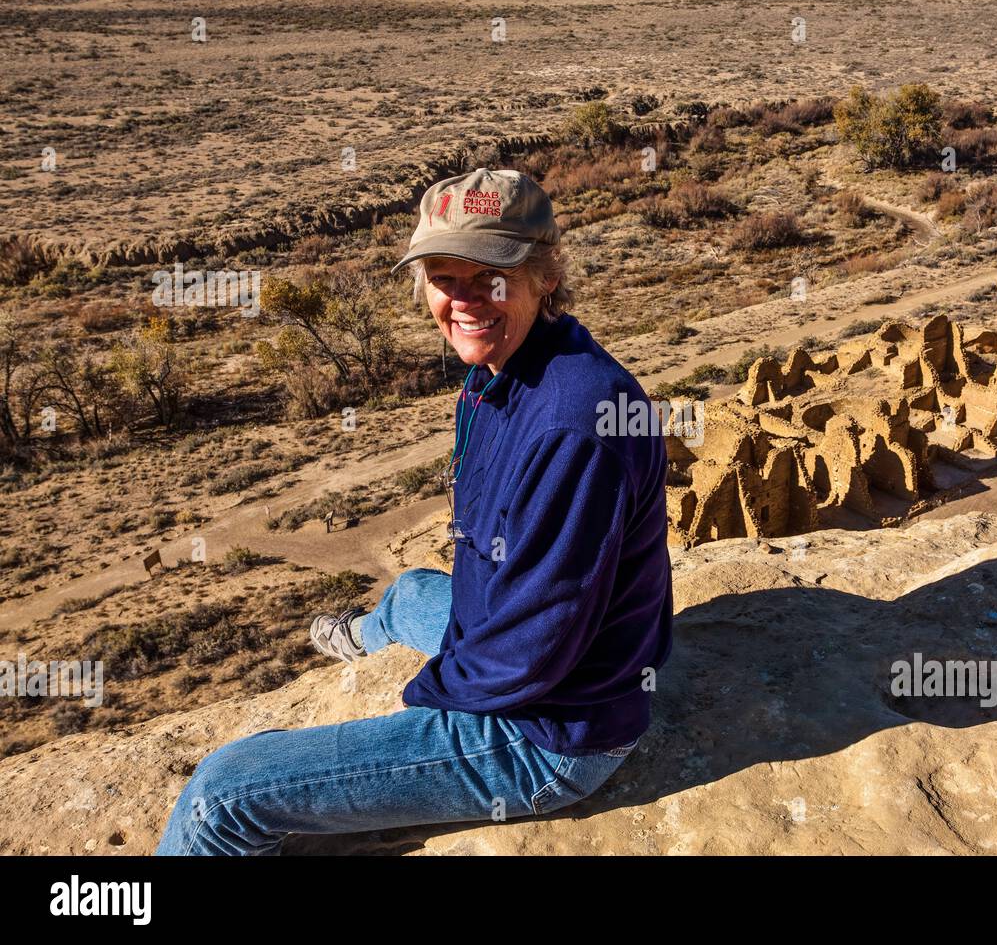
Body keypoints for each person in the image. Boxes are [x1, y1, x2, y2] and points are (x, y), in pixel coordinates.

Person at [155, 168, 673, 855]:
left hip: (544, 735)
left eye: (489, 276)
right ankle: (356, 646)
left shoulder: (572, 424)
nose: (464, 300)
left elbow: (528, 654)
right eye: (443, 277)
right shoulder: (508, 370)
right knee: (407, 594)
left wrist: (423, 696)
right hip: (531, 653)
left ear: (545, 275)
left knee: (221, 795)